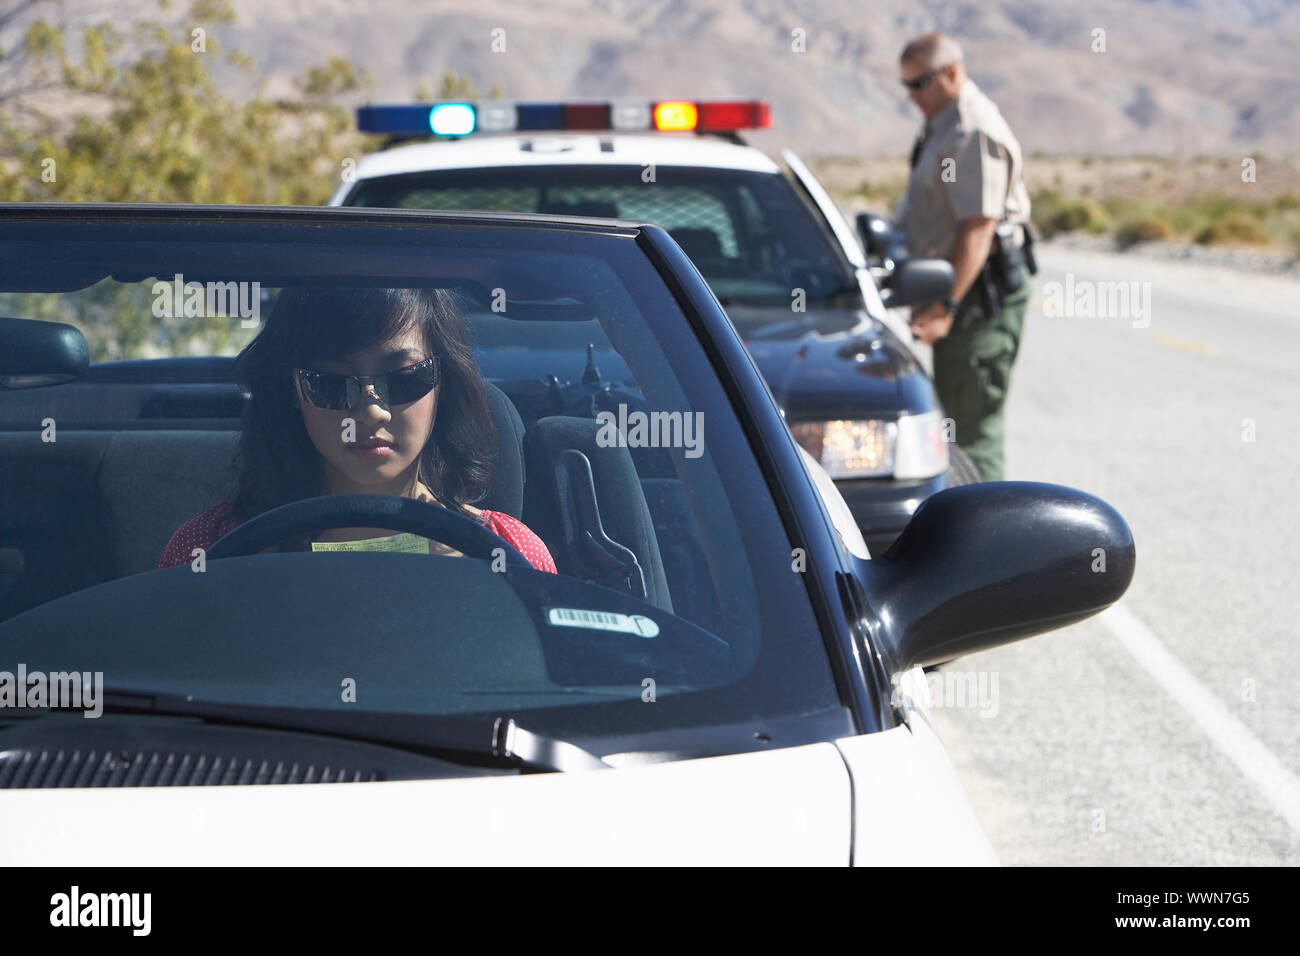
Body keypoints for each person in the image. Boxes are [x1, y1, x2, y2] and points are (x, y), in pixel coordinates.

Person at [157, 286, 556, 572]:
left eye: (404, 379)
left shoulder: (511, 551)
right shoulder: (207, 549)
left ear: (445, 382)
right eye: (330, 384)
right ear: (291, 390)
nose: (370, 412)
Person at [895, 31, 1033, 482]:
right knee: (955, 419)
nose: (912, 96)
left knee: (972, 430)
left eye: (920, 84)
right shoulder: (943, 121)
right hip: (960, 292)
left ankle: (990, 545)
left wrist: (944, 306)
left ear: (951, 73)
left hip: (977, 298)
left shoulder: (972, 130)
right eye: (907, 86)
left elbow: (978, 229)